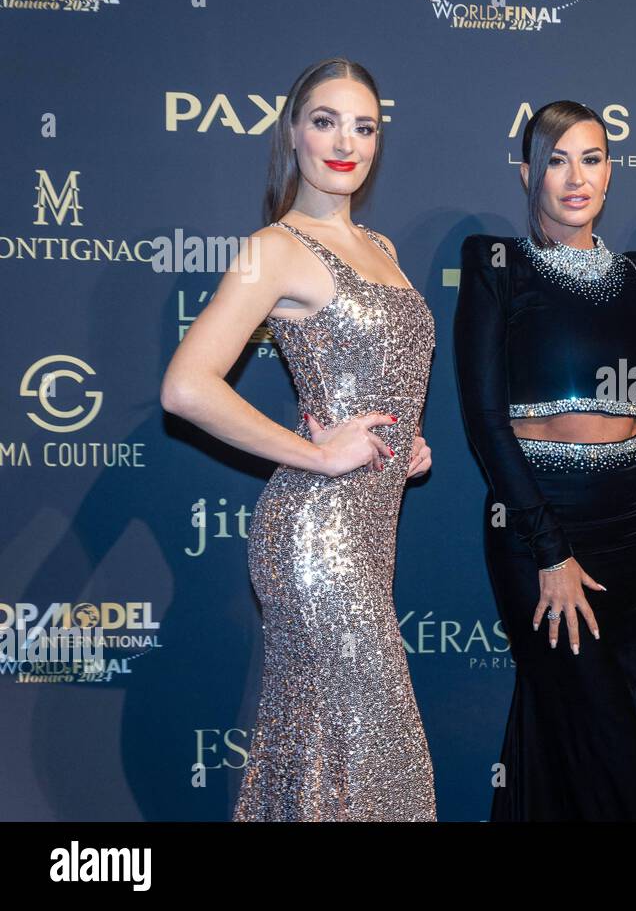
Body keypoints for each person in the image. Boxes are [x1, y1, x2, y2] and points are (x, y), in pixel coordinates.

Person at [160, 57, 437, 821]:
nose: (345, 141)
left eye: (364, 125)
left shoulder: (380, 246)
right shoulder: (275, 246)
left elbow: (383, 376)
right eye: (325, 121)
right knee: (379, 760)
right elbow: (186, 387)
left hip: (369, 534)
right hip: (317, 539)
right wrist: (316, 452)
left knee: (330, 756)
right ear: (292, 132)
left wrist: (405, 444)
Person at [453, 100, 636, 820]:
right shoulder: (496, 264)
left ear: (611, 173)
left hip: (633, 534)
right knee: (591, 729)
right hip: (538, 529)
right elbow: (485, 423)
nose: (574, 178)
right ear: (528, 173)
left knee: (609, 727)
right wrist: (549, 550)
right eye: (556, 160)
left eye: (591, 158)